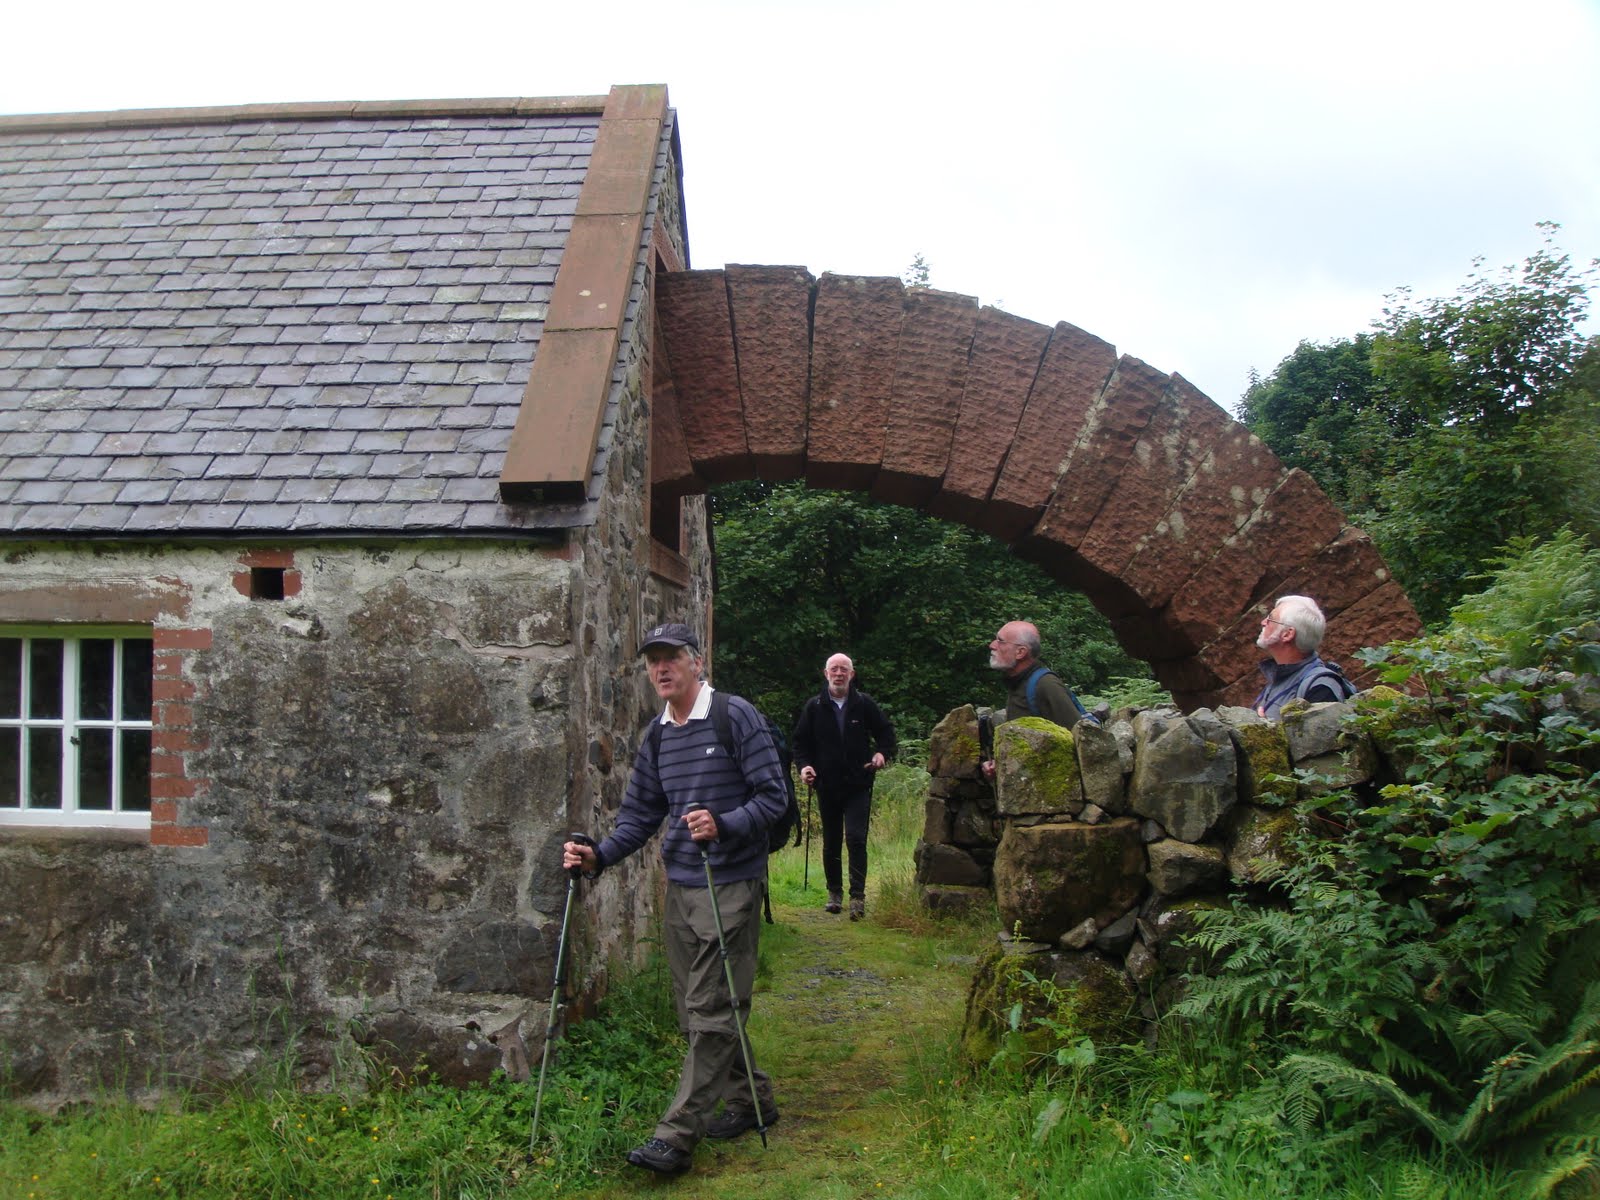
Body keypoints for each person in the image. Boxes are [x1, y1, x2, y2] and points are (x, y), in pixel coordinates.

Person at [562, 622, 785, 1176]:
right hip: (682, 886)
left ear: (696, 662)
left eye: (671, 658)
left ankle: (675, 1135)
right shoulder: (658, 736)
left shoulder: (735, 716)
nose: (660, 669)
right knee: (697, 1013)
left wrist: (725, 823)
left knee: (712, 1010)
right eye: (652, 661)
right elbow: (640, 814)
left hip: (729, 883)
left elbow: (773, 796)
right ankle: (752, 1097)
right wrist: (600, 857)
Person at [790, 653, 896, 922]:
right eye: (834, 669)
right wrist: (805, 768)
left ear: (852, 674)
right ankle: (834, 894)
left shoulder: (864, 704)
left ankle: (857, 897)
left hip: (858, 782)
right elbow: (800, 744)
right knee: (832, 841)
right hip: (826, 784)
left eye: (843, 670)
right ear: (826, 674)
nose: (839, 674)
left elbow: (886, 733)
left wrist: (881, 755)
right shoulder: (814, 706)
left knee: (856, 838)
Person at [980, 621, 1090, 780]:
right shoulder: (1017, 683)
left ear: (1020, 652)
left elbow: (1080, 741)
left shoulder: (1046, 685)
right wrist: (1002, 764)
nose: (992, 645)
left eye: (1000, 641)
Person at [1252, 594, 1353, 718]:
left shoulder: (1321, 687)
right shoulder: (1278, 679)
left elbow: (1321, 735)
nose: (1263, 623)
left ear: (1287, 634)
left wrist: (1265, 731)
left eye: (1270, 619)